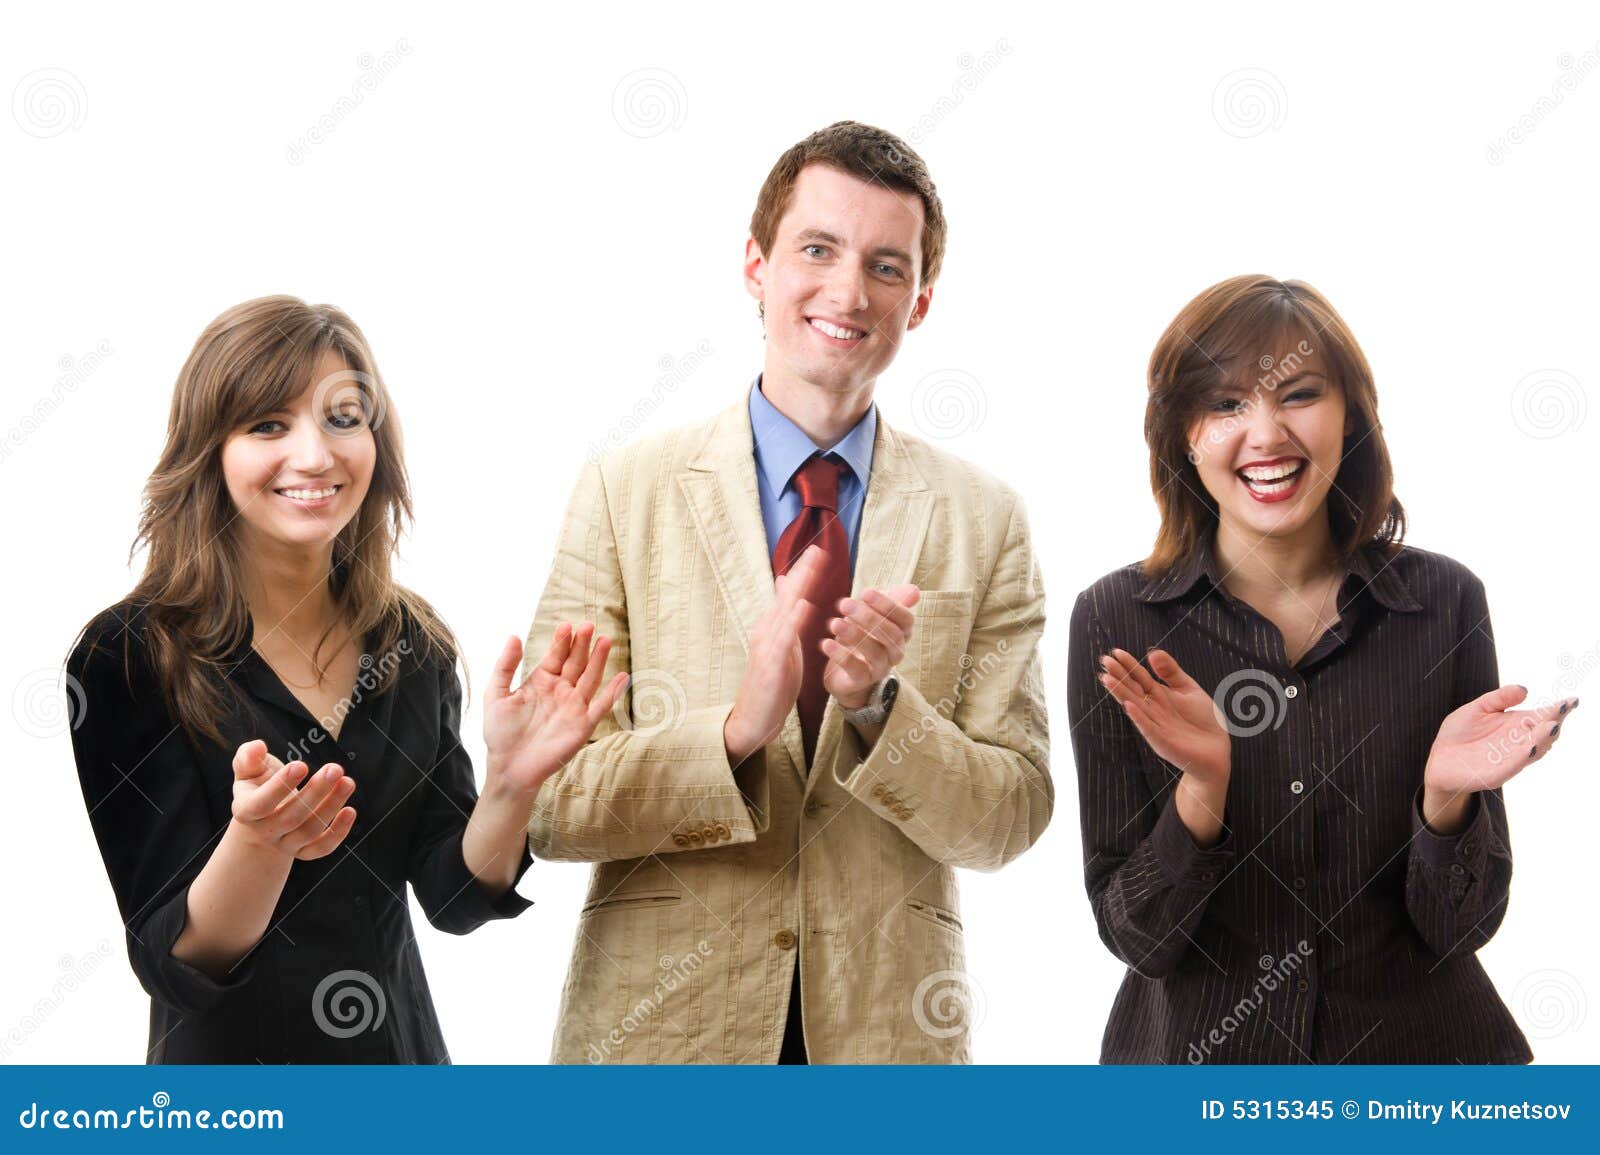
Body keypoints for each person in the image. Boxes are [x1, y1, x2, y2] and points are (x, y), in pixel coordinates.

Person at [524, 121, 1052, 1064]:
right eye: (818, 249)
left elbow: (1010, 815)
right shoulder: (623, 491)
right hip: (661, 1041)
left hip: (888, 1041)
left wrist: (881, 708)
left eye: (887, 266)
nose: (849, 292)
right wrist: (734, 734)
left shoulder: (987, 517)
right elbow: (550, 799)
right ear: (756, 265)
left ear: (921, 302)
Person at [66, 295, 626, 1063]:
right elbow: (178, 960)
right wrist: (258, 843)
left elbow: (453, 896)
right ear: (210, 451)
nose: (316, 455)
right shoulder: (128, 656)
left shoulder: (412, 643)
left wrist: (513, 783)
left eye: (342, 417)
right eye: (268, 424)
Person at [1067, 274, 1578, 1063]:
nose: (1266, 434)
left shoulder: (1443, 602)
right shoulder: (1116, 620)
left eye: (1300, 394)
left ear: (1351, 418)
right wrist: (1202, 793)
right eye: (1227, 404)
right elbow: (1138, 937)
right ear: (1182, 435)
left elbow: (1463, 926)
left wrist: (1445, 802)